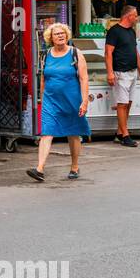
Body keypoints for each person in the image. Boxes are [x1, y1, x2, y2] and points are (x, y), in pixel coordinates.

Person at [27, 22, 89, 182]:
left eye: (63, 33)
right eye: (57, 34)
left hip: (71, 100)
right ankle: (39, 169)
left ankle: (75, 166)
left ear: (67, 36)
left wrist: (84, 102)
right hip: (51, 100)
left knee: (73, 133)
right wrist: (41, 97)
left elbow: (83, 79)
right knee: (46, 133)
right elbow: (43, 78)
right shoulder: (46, 55)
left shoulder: (76, 53)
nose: (60, 36)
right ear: (51, 38)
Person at [104, 5, 140, 147]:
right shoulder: (114, 31)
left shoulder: (131, 32)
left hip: (132, 71)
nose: (136, 18)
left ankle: (119, 133)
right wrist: (110, 72)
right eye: (135, 15)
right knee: (122, 104)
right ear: (128, 16)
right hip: (120, 73)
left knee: (128, 103)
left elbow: (135, 52)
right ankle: (126, 136)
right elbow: (108, 53)